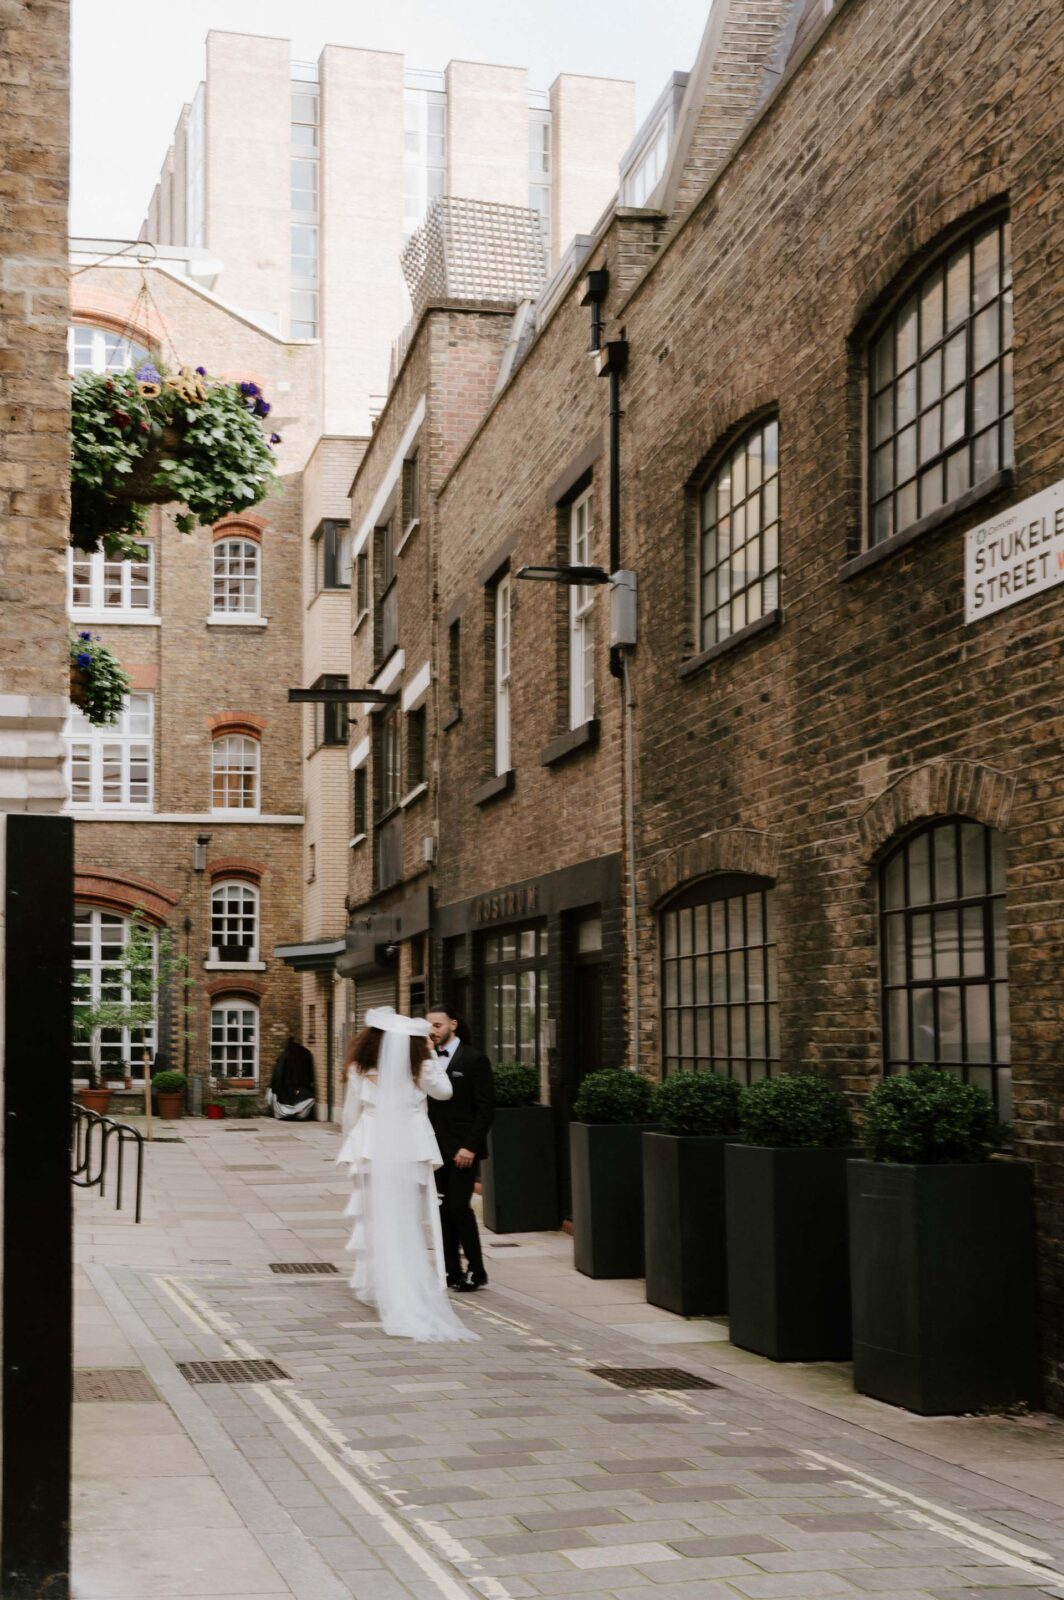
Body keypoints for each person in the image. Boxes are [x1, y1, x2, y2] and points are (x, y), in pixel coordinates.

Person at [337, 1007, 477, 1343]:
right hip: (411, 1146)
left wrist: (348, 1145)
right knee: (407, 1218)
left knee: (374, 1216)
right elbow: (445, 1092)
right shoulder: (421, 1066)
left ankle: (377, 1282)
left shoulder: (359, 1067)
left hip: (370, 1145)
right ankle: (407, 1283)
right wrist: (429, 1055)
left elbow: (349, 1113)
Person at [426, 1003, 495, 1293]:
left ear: (453, 1024)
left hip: (462, 1150)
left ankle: (476, 1270)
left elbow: (485, 1107)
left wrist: (470, 1146)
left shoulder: (474, 1059)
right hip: (433, 1149)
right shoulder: (425, 1060)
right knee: (442, 1210)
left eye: (438, 1025)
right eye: (429, 1026)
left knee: (458, 1207)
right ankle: (451, 1270)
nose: (433, 1031)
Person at [269, 1036, 315, 1120]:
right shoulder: (305, 1053)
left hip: (286, 1087)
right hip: (302, 1086)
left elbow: (278, 1074)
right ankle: (299, 1114)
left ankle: (288, 1113)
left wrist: (274, 1088)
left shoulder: (284, 1056)